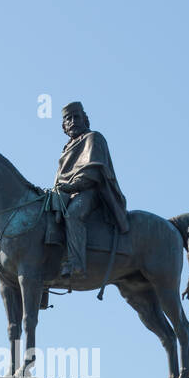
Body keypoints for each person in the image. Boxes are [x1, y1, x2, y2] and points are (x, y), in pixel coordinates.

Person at [53, 102, 128, 277]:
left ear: (84, 119)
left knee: (73, 214)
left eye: (76, 117)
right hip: (67, 193)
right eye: (68, 119)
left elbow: (94, 171)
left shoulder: (93, 138)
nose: (72, 121)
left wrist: (72, 186)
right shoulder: (65, 148)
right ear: (64, 126)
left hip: (93, 191)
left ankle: (76, 262)